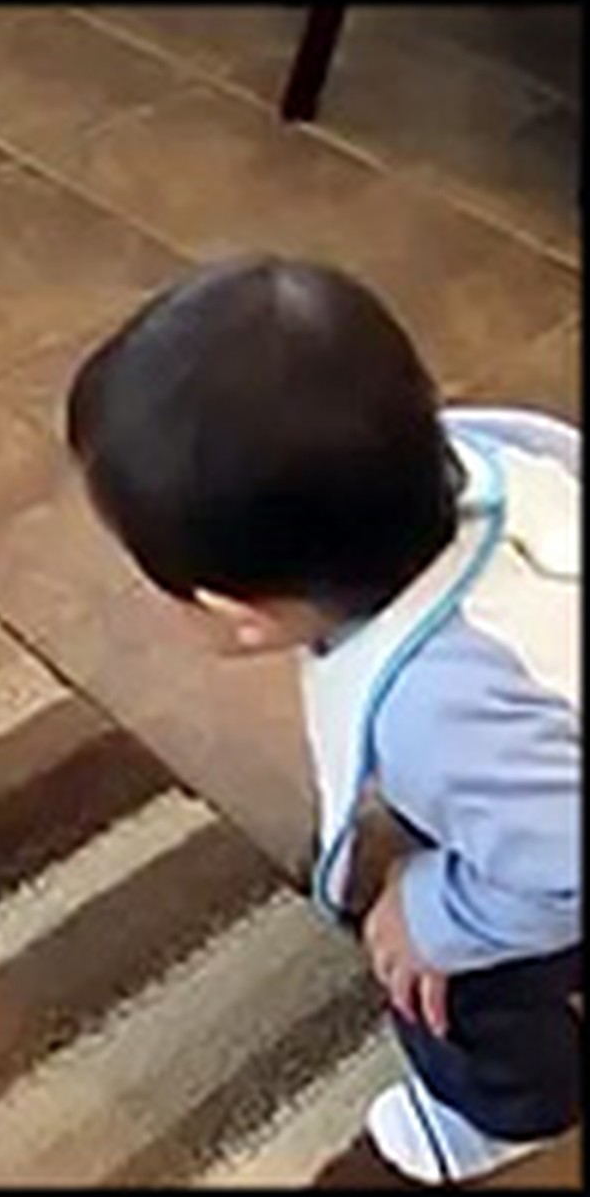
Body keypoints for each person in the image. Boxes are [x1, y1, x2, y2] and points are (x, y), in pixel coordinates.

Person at [64, 256, 581, 1185]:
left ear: (240, 612)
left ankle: (503, 1112)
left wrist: (435, 915)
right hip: (548, 747)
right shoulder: (507, 446)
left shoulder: (439, 713)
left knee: (451, 974)